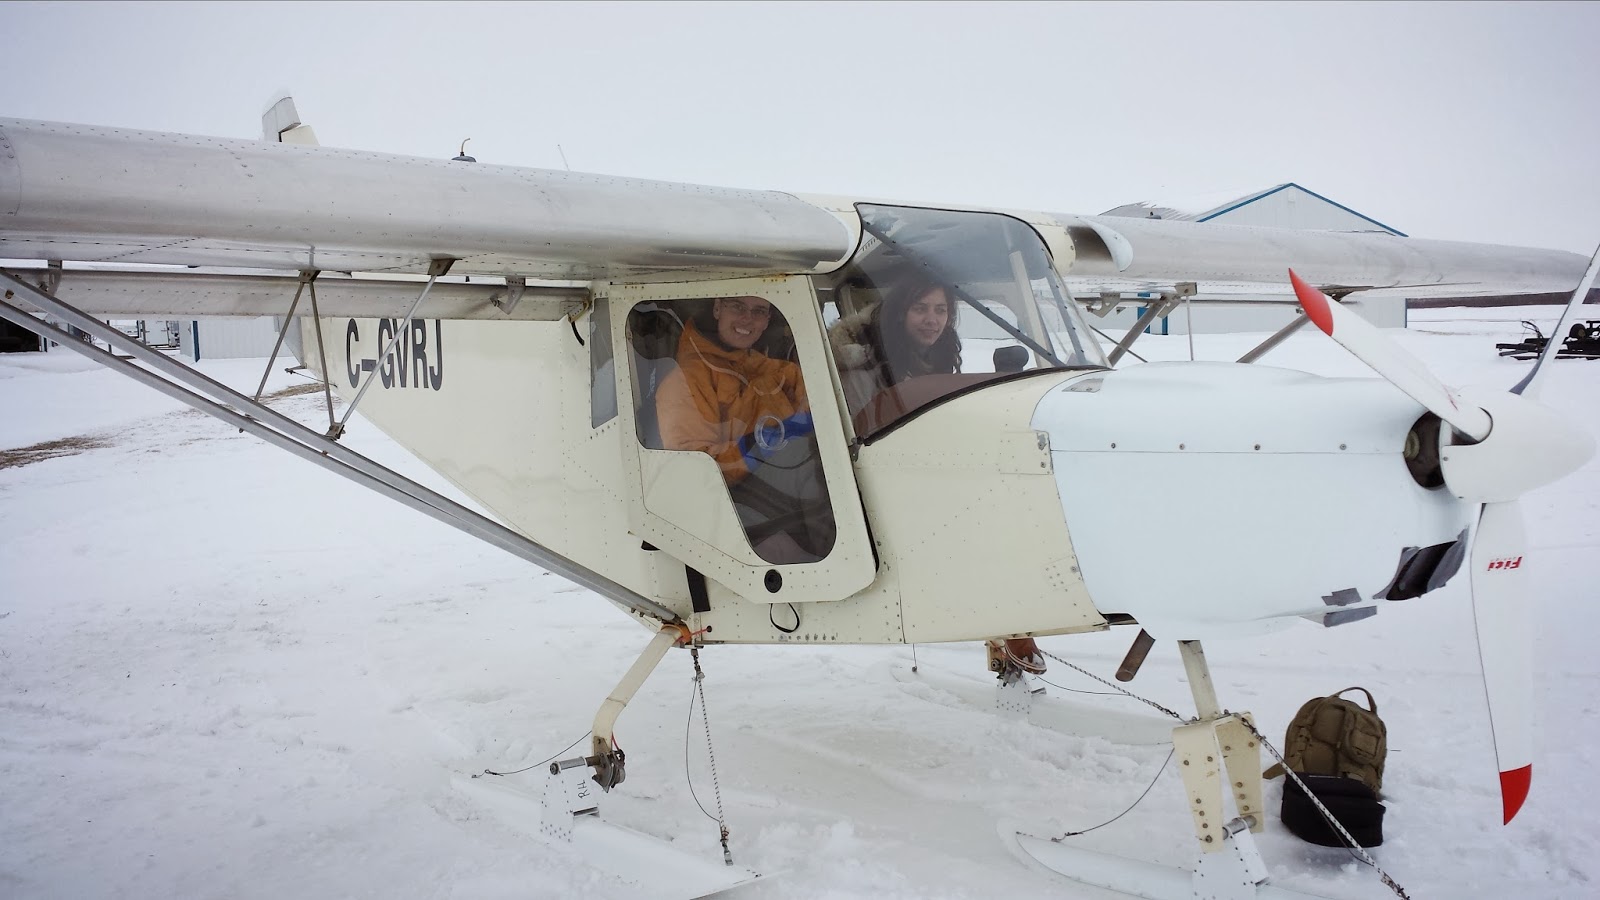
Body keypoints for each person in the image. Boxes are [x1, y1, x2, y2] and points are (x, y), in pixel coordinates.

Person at [655, 296, 832, 562]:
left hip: (789, 489)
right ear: (717, 309)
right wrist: (752, 449)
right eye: (737, 306)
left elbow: (820, 402)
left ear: (767, 321)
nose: (747, 319)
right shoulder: (685, 380)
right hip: (738, 500)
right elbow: (692, 469)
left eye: (759, 311)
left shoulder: (776, 370)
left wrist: (814, 420)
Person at [830, 274, 963, 414]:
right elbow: (858, 431)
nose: (931, 320)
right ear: (900, 314)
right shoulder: (864, 371)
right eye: (920, 309)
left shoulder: (941, 361)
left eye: (940, 310)